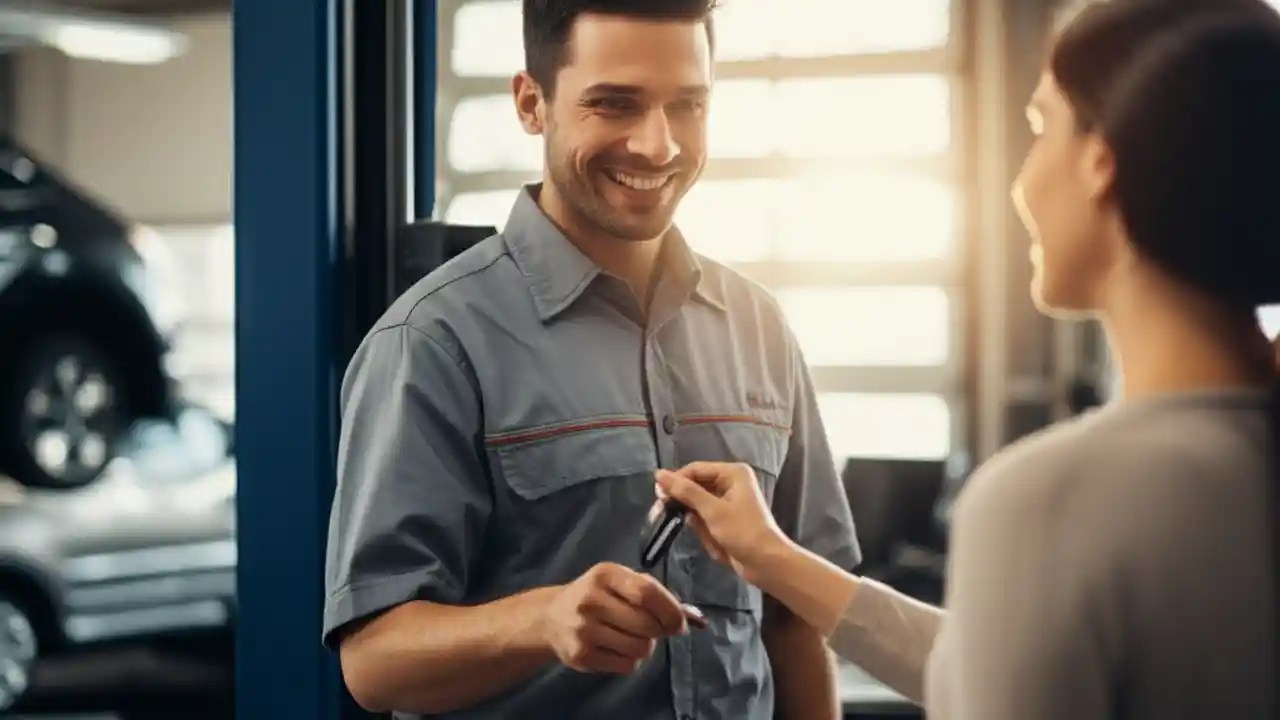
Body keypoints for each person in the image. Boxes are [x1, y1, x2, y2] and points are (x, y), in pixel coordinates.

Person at [654, 0, 1280, 717]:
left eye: (1042, 127)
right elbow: (991, 660)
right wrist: (775, 558)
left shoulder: (1046, 501)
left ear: (1100, 162)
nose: (1020, 184)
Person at [322, 1, 861, 718]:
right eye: (614, 105)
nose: (657, 145)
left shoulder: (758, 326)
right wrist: (541, 622)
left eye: (688, 106)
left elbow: (796, 620)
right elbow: (374, 661)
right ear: (530, 103)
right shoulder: (433, 343)